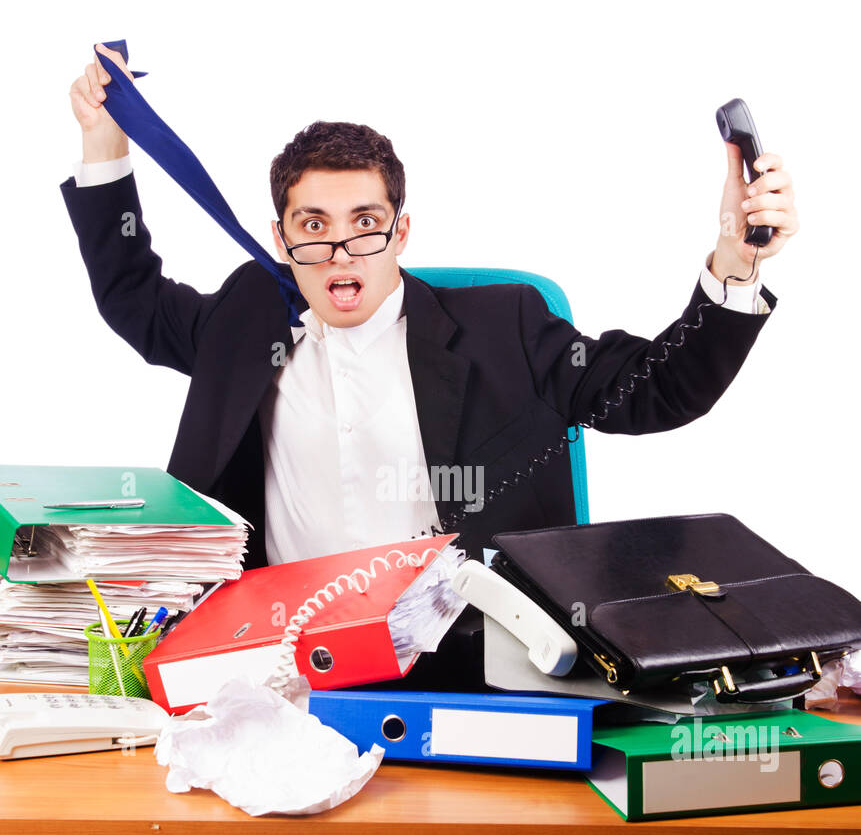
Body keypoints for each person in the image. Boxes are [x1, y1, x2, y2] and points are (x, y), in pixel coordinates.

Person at [62, 44, 798, 686]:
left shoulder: (502, 324)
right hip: (280, 664)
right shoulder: (247, 316)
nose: (341, 251)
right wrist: (105, 143)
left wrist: (734, 266)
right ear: (280, 240)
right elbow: (134, 298)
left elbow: (656, 392)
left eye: (365, 225)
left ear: (400, 230)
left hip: (468, 663)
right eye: (313, 227)